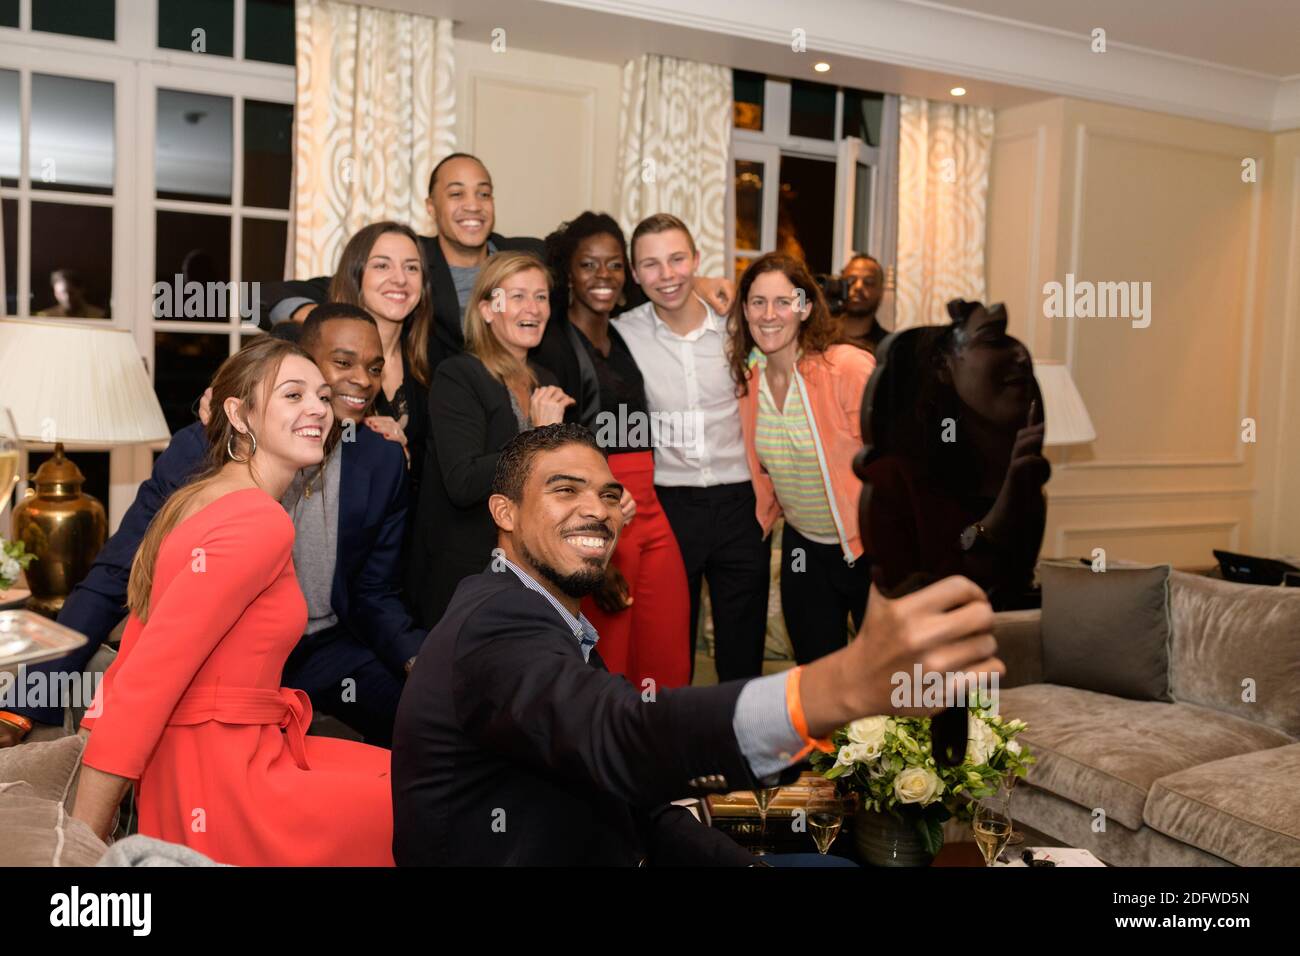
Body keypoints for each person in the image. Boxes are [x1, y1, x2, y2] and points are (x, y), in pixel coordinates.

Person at [391, 423, 1005, 866]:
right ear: (504, 511)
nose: (598, 511)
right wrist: (838, 686)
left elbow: (634, 799)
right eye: (564, 490)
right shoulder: (496, 623)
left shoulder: (544, 613)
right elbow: (621, 735)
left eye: (608, 495)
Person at [0, 309, 422, 749]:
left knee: (430, 729)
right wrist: (27, 698)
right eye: (343, 363)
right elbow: (116, 572)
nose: (362, 380)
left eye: (375, 368)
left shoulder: (380, 459)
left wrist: (421, 662)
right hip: (230, 654)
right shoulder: (202, 448)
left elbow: (376, 594)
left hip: (328, 648)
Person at [72, 336, 394, 866]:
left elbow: (133, 656)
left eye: (320, 395)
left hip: (211, 761)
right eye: (292, 395)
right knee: (419, 803)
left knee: (400, 776)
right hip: (225, 784)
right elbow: (145, 680)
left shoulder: (198, 497)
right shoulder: (258, 521)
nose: (318, 407)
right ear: (239, 415)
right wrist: (83, 843)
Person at [261, 154, 735, 374]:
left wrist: (696, 282)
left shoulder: (526, 255)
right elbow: (276, 295)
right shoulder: (409, 264)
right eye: (456, 193)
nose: (473, 205)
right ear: (431, 207)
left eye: (483, 193)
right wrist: (312, 318)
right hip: (435, 439)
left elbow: (600, 273)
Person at [533, 211, 690, 690]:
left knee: (667, 645)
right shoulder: (554, 343)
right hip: (601, 506)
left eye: (614, 265)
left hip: (650, 506)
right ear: (568, 274)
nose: (603, 277)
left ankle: (666, 757)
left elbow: (681, 294)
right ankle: (606, 760)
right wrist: (592, 532)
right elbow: (555, 451)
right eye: (588, 265)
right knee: (611, 655)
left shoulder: (624, 330)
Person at [617, 214, 770, 682]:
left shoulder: (737, 328)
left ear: (697, 260)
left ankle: (741, 750)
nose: (667, 275)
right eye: (651, 264)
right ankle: (677, 749)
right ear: (635, 273)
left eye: (677, 259)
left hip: (740, 503)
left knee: (742, 644)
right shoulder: (622, 332)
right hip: (667, 505)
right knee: (668, 643)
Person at [407, 251, 575, 628]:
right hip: (466, 579)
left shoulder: (544, 379)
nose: (532, 307)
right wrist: (535, 434)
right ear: (486, 309)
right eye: (516, 296)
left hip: (534, 571)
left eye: (540, 296)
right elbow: (463, 483)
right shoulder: (459, 375)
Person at [729, 253, 876, 665]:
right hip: (803, 552)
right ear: (745, 309)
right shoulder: (747, 379)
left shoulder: (846, 368)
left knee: (888, 690)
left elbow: (898, 461)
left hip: (870, 549)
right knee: (817, 689)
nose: (769, 314)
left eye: (783, 301)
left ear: (805, 307)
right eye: (757, 302)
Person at [856, 299, 1049, 609]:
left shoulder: (1026, 475)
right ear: (943, 366)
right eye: (991, 340)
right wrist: (1000, 515)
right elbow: (922, 602)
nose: (1021, 358)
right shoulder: (895, 480)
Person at [326, 221, 433, 501]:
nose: (400, 279)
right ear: (356, 275)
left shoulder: (430, 363)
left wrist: (405, 454)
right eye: (382, 265)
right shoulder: (318, 357)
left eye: (412, 267)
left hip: (404, 532)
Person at [839, 254, 887, 354]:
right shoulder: (819, 340)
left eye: (868, 282)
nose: (858, 287)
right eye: (851, 280)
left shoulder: (889, 349)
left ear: (881, 292)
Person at [36, 268, 105, 319]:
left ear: (81, 290)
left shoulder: (99, 316)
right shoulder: (46, 316)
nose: (66, 298)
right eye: (60, 293)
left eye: (71, 292)